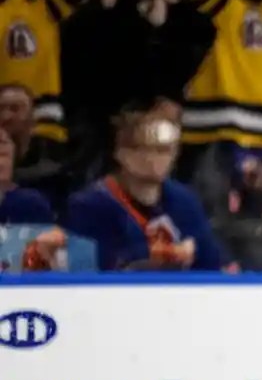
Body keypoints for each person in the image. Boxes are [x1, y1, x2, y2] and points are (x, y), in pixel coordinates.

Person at [63, 110, 224, 271]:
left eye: (165, 150)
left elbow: (210, 261)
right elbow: (95, 265)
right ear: (121, 153)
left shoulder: (185, 201)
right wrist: (155, 255)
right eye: (146, 148)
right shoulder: (90, 206)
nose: (156, 159)